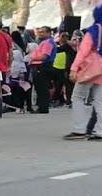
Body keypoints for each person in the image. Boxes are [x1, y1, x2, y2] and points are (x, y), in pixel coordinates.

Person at [63, 7, 102, 140]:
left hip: (90, 68)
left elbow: (83, 52)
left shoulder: (93, 31)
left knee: (78, 97)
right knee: (99, 100)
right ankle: (100, 131)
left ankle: (79, 129)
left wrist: (74, 68)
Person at [28, 25, 55, 113]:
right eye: (39, 32)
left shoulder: (47, 42)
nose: (40, 34)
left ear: (48, 33)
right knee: (40, 87)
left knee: (41, 87)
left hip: (42, 66)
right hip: (42, 66)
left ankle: (43, 107)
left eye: (43, 32)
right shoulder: (44, 42)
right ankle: (42, 107)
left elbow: (44, 56)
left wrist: (33, 59)